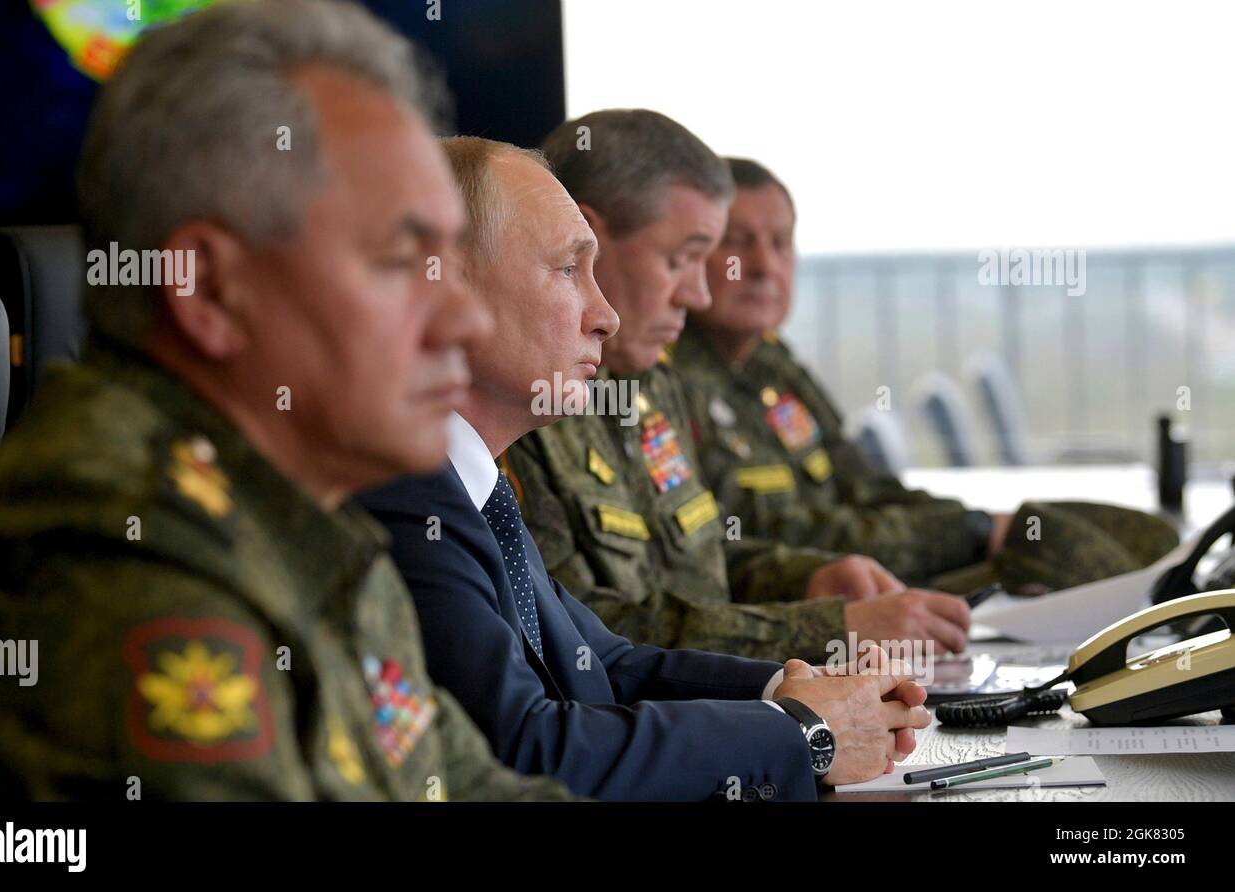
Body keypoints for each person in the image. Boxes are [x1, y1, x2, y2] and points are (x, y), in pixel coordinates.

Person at [0, 0, 573, 802]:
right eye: (401, 260)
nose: (465, 316)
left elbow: (464, 784)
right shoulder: (120, 575)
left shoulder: (306, 513)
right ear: (208, 290)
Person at [360, 136, 930, 800]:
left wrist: (791, 690)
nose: (605, 316)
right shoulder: (403, 495)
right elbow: (525, 748)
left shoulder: (472, 485)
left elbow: (607, 663)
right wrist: (799, 734)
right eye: (569, 270)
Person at [505, 109, 972, 663]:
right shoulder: (520, 407)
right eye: (680, 259)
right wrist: (829, 627)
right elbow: (587, 642)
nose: (698, 294)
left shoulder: (647, 387)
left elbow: (693, 566)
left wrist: (809, 578)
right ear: (587, 242)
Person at [676, 156, 1180, 594]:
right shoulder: (669, 379)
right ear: (694, 255)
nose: (764, 265)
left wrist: (976, 527)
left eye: (782, 243)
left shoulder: (773, 366)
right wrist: (970, 535)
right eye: (738, 243)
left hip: (878, 577)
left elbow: (869, 487)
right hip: (817, 603)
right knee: (1074, 558)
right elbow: (758, 535)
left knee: (1140, 543)